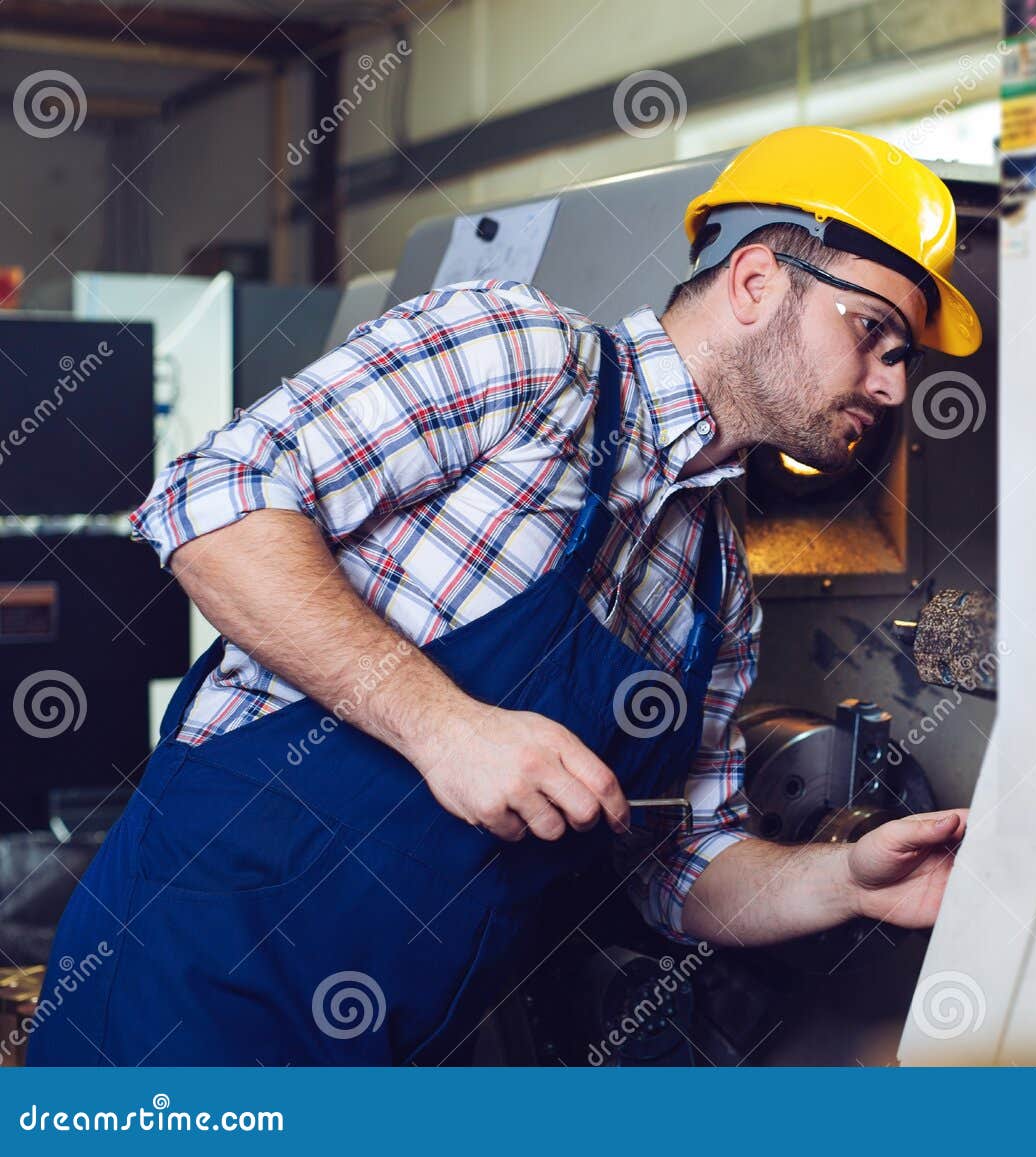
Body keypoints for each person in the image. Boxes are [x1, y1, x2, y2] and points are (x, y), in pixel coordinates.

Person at [30, 125, 982, 1065]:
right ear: (757, 282)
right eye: (875, 334)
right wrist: (447, 727)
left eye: (905, 356)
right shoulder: (524, 358)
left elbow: (680, 864)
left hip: (402, 1044)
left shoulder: (716, 581)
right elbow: (209, 500)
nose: (895, 385)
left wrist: (846, 881)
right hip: (186, 994)